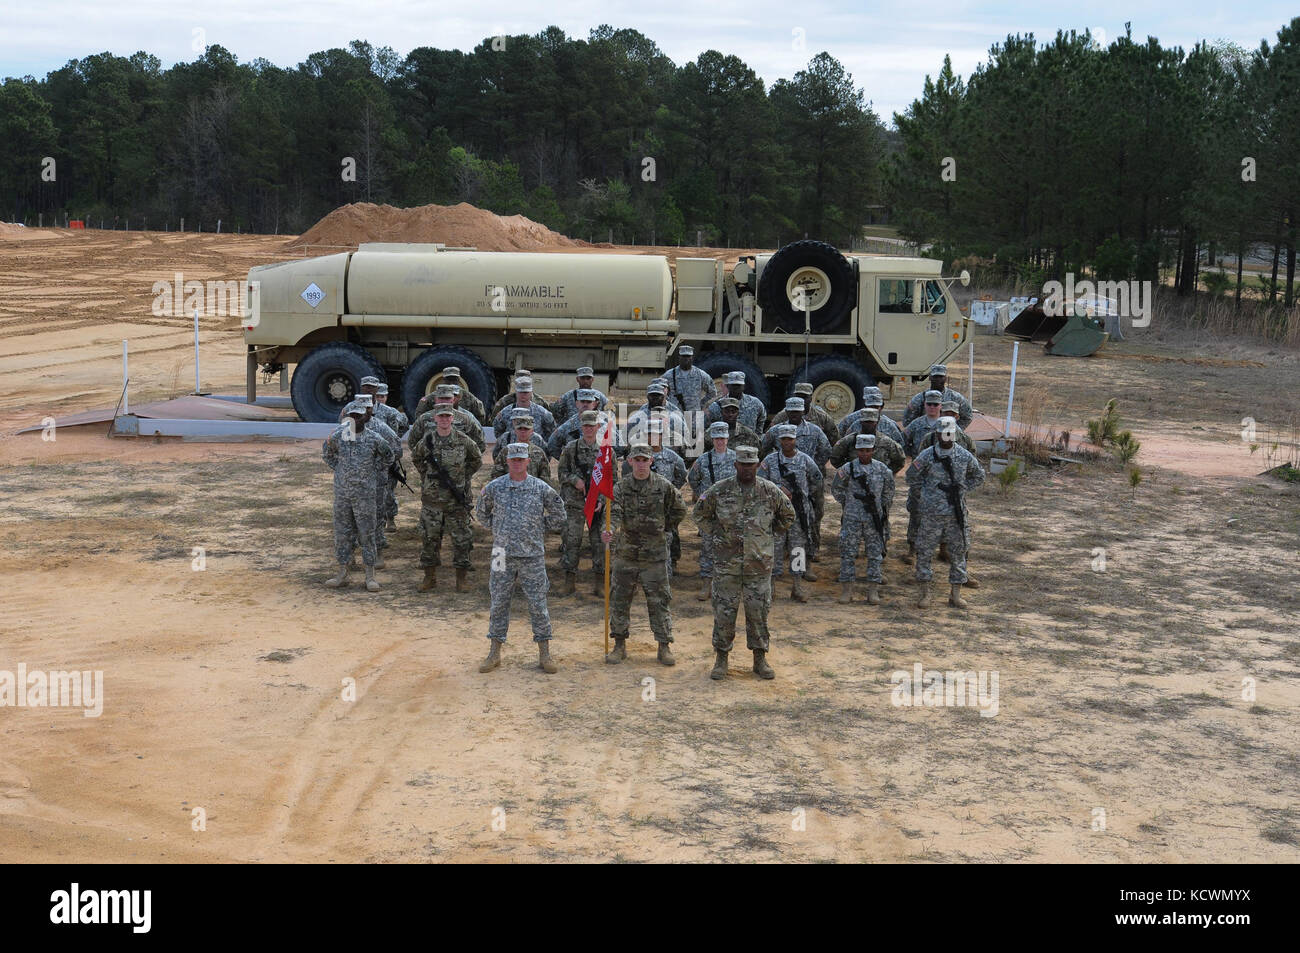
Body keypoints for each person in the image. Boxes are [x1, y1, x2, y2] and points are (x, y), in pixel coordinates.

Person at [693, 445, 795, 680]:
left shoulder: (770, 491)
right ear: (735, 465)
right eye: (743, 464)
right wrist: (717, 535)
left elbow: (788, 516)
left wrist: (767, 537)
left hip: (758, 567)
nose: (747, 469)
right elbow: (699, 513)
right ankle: (721, 658)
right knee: (724, 613)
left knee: (758, 613)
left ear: (757, 465)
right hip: (726, 566)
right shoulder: (719, 490)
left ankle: (760, 659)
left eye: (751, 464)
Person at [475, 443, 567, 673]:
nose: (517, 463)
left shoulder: (540, 488)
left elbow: (559, 514)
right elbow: (481, 512)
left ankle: (544, 653)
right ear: (507, 461)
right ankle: (494, 652)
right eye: (513, 459)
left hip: (531, 554)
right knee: (498, 602)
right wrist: (498, 529)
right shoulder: (495, 487)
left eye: (521, 459)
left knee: (538, 604)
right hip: (501, 554)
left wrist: (538, 527)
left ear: (528, 461)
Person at [601, 444, 686, 666]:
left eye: (644, 460)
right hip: (626, 553)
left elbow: (680, 509)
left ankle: (663, 645)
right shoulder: (621, 487)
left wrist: (665, 526)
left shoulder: (663, 486)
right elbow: (614, 512)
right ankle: (619, 645)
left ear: (651, 462)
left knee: (659, 601)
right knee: (620, 600)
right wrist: (610, 529)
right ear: (629, 462)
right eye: (636, 460)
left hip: (654, 555)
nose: (640, 464)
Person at [907, 418, 985, 608]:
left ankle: (955, 595)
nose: (946, 436)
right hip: (931, 514)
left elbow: (979, 475)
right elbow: (912, 476)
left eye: (949, 432)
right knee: (925, 552)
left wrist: (962, 489)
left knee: (958, 553)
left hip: (955, 514)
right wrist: (923, 495)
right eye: (942, 432)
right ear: (937, 434)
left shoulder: (964, 456)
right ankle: (925, 594)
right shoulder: (927, 455)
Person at [321, 403, 395, 592]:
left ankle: (370, 576)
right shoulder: (340, 435)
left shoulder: (374, 438)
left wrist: (371, 471)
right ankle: (343, 573)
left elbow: (389, 456)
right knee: (342, 534)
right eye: (352, 415)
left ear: (366, 417)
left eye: (359, 416)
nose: (355, 419)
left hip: (365, 495)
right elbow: (327, 453)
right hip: (343, 494)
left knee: (367, 534)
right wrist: (340, 470)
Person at [409, 406, 481, 593]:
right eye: (441, 416)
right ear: (435, 418)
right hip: (432, 501)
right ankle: (429, 578)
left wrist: (463, 476)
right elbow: (416, 458)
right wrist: (427, 475)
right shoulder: (428, 440)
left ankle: (461, 580)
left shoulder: (463, 441)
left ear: (452, 418)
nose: (444, 419)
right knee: (429, 539)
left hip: (455, 502)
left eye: (447, 416)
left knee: (461, 540)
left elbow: (476, 460)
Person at [758, 425, 822, 601]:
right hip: (775, 513)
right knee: (774, 549)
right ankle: (771, 586)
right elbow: (759, 484)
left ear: (795, 440)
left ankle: (797, 586)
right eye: (784, 439)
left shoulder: (805, 460)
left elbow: (817, 482)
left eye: (790, 439)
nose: (787, 442)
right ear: (779, 441)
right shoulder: (770, 461)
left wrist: (805, 497)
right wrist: (778, 491)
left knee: (798, 549)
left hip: (798, 513)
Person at [831, 434, 894, 604]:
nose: (864, 453)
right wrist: (848, 503)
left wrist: (880, 507)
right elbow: (836, 487)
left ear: (873, 450)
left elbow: (889, 491)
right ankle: (847, 590)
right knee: (848, 553)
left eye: (868, 450)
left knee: (875, 554)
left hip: (873, 520)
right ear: (856, 450)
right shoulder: (848, 469)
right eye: (861, 450)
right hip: (852, 519)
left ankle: (873, 591)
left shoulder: (882, 470)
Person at [556, 410, 613, 595]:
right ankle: (569, 581)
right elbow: (561, 473)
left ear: (598, 427)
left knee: (598, 543)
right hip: (575, 504)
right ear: (581, 427)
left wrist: (602, 501)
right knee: (572, 541)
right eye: (586, 425)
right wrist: (575, 480)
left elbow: (613, 482)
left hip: (597, 506)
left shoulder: (606, 452)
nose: (589, 429)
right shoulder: (571, 449)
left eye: (592, 425)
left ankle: (599, 583)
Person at [687, 421, 736, 600]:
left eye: (722, 438)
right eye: (716, 439)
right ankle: (706, 582)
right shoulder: (704, 459)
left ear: (727, 438)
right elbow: (693, 478)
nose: (720, 442)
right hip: (710, 512)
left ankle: (725, 583)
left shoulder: (736, 459)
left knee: (730, 547)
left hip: (730, 512)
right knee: (708, 546)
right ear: (712, 439)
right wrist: (702, 496)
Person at [662, 346, 717, 455]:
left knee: (695, 449)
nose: (686, 359)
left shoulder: (700, 374)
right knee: (674, 445)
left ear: (692, 358)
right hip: (675, 416)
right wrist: (668, 405)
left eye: (688, 357)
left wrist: (700, 405)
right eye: (683, 357)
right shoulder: (669, 375)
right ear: (679, 358)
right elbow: (659, 390)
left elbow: (712, 392)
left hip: (694, 417)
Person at [409, 384, 485, 454]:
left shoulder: (467, 418)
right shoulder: (424, 419)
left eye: (447, 398)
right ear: (435, 399)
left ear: (453, 400)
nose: (444, 401)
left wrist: (465, 464)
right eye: (441, 398)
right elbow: (413, 443)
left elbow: (480, 444)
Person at [829, 409, 906, 473]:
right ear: (861, 422)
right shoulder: (850, 440)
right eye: (866, 422)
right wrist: (848, 471)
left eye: (871, 422)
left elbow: (900, 460)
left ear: (877, 423)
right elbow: (835, 457)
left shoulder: (886, 442)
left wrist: (886, 472)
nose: (868, 425)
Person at [902, 363, 973, 429]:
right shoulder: (920, 398)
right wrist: (919, 431)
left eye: (941, 377)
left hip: (946, 438)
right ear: (930, 378)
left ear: (945, 378)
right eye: (935, 377)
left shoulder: (956, 398)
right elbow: (906, 420)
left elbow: (968, 417)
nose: (938, 380)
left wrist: (954, 430)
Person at [768, 382, 836, 446]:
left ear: (811, 398)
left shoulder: (822, 417)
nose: (801, 400)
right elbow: (769, 436)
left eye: (804, 397)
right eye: (798, 397)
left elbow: (834, 440)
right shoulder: (783, 415)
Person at [492, 377, 556, 441]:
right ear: (516, 392)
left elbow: (552, 430)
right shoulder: (506, 412)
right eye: (520, 392)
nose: (523, 395)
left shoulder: (542, 412)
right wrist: (505, 442)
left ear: (531, 392)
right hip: (512, 449)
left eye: (526, 392)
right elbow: (497, 429)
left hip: (534, 449)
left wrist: (541, 443)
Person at [838, 386, 905, 446]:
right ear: (865, 404)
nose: (872, 410)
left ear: (881, 407)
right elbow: (839, 440)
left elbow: (900, 447)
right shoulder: (850, 421)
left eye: (875, 407)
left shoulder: (890, 425)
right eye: (870, 406)